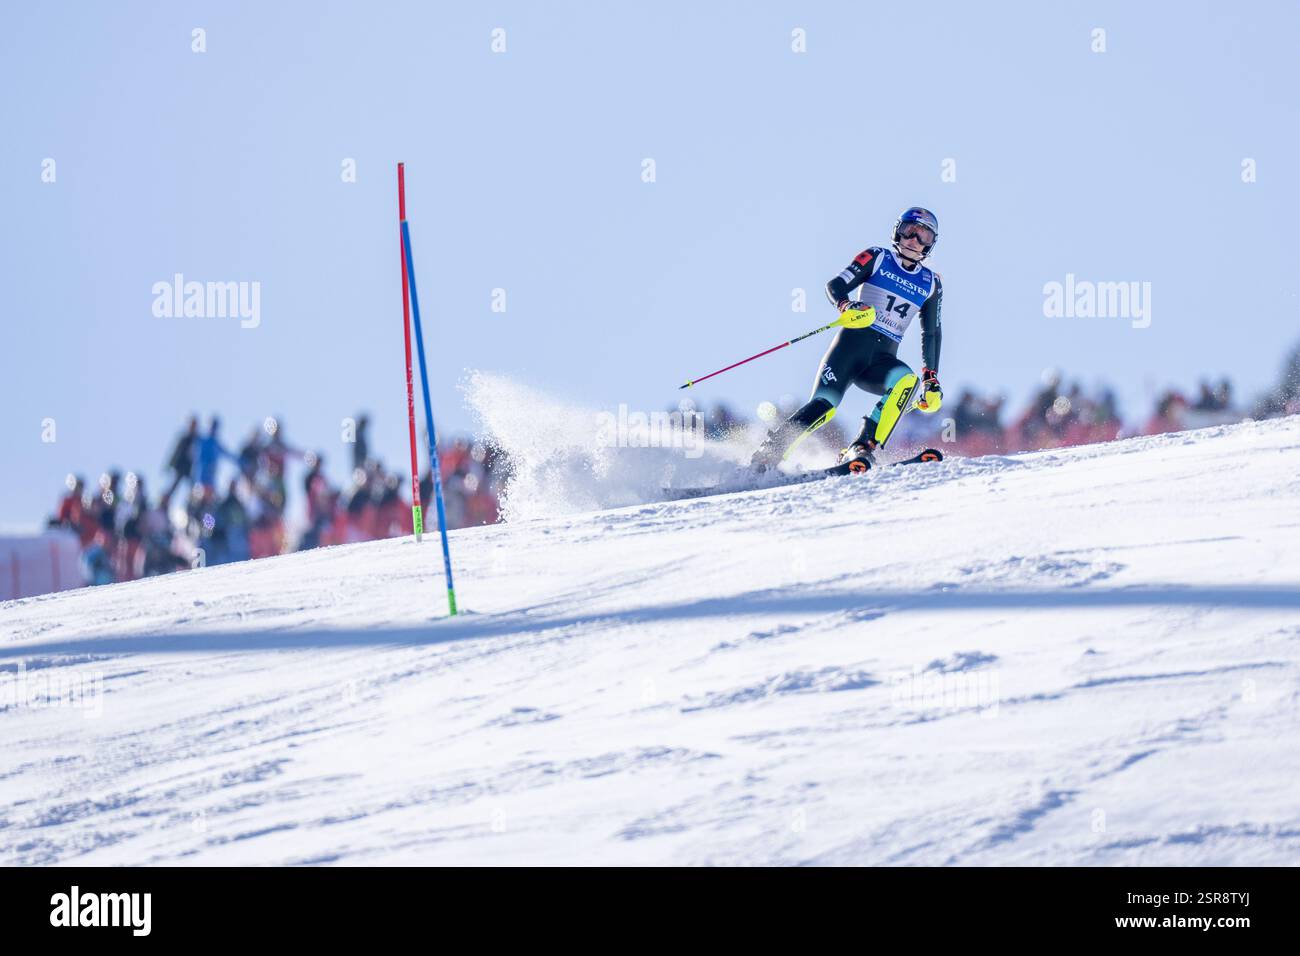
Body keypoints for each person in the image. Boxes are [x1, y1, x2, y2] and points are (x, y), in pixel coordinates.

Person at [751, 206, 945, 472]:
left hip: (881, 362)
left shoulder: (931, 283)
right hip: (849, 350)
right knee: (824, 406)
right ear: (897, 233)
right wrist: (846, 305)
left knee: (906, 381)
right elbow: (835, 285)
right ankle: (769, 454)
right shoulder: (877, 257)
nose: (914, 240)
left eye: (923, 236)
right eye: (909, 231)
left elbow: (932, 332)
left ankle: (863, 447)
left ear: (930, 244)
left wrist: (931, 378)